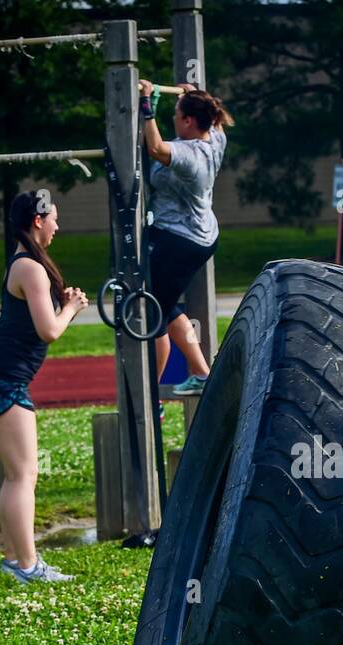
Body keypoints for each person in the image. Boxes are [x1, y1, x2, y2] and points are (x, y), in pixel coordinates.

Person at [0, 190, 86, 584]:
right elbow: (48, 330)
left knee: (18, 474)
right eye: (54, 218)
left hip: (1, 378)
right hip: (1, 380)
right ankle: (28, 566)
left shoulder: (28, 264)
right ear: (38, 220)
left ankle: (18, 559)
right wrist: (70, 308)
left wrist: (61, 302)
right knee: (23, 475)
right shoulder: (30, 268)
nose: (57, 225)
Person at [138, 79, 234, 415]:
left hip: (179, 239)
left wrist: (146, 103)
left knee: (154, 316)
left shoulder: (191, 155)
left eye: (178, 115)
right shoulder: (214, 137)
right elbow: (215, 117)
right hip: (198, 236)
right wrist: (191, 91)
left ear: (189, 122)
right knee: (166, 306)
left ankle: (151, 396)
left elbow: (155, 148)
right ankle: (200, 371)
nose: (175, 121)